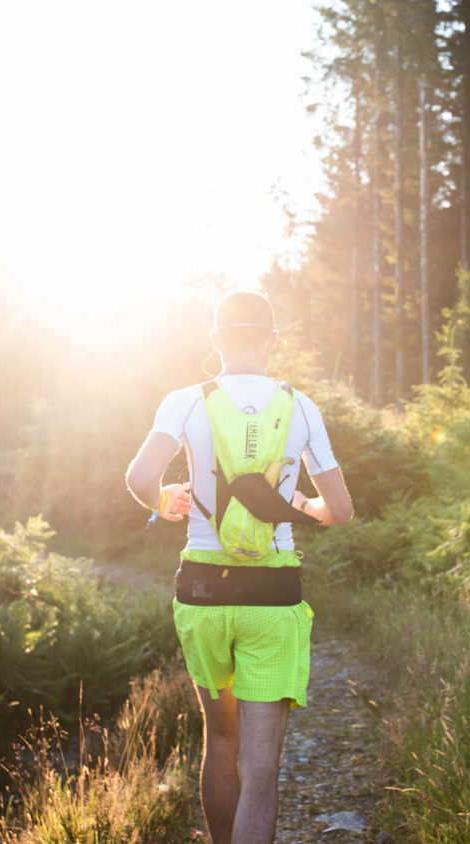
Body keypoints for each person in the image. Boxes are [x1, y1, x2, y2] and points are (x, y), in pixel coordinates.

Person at [125, 290, 353, 844]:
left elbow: (138, 478)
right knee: (261, 766)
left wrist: (164, 501)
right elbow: (340, 511)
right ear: (273, 340)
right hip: (272, 594)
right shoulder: (300, 405)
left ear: (216, 340)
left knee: (219, 742)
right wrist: (299, 505)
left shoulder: (183, 400)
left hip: (202, 590)